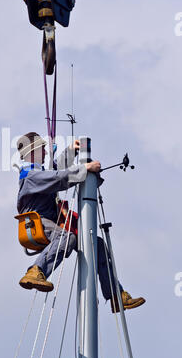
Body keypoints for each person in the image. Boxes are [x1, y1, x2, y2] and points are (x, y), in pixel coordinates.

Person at [16, 132, 145, 313]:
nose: (45, 152)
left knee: (96, 244)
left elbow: (55, 172)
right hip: (37, 222)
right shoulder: (29, 175)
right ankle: (36, 271)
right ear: (33, 151)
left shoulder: (38, 172)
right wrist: (84, 169)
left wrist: (70, 152)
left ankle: (115, 295)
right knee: (66, 238)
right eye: (42, 148)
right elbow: (57, 178)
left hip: (52, 221)